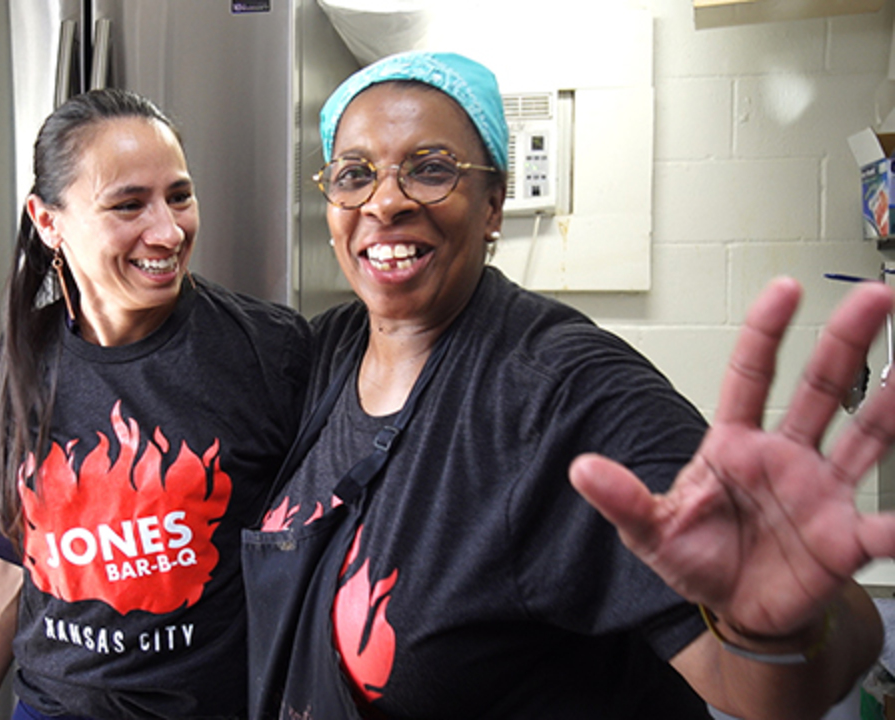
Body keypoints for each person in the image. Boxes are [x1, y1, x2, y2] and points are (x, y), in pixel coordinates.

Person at [242, 50, 893, 720]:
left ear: (493, 203)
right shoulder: (326, 354)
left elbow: (767, 686)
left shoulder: (568, 395)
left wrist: (776, 623)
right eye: (355, 175)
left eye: (431, 169)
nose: (385, 201)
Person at [0, 88, 310, 720]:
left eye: (180, 196)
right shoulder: (26, 350)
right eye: (128, 204)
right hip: (48, 709)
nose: (168, 231)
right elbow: (14, 558)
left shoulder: (267, 351)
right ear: (48, 221)